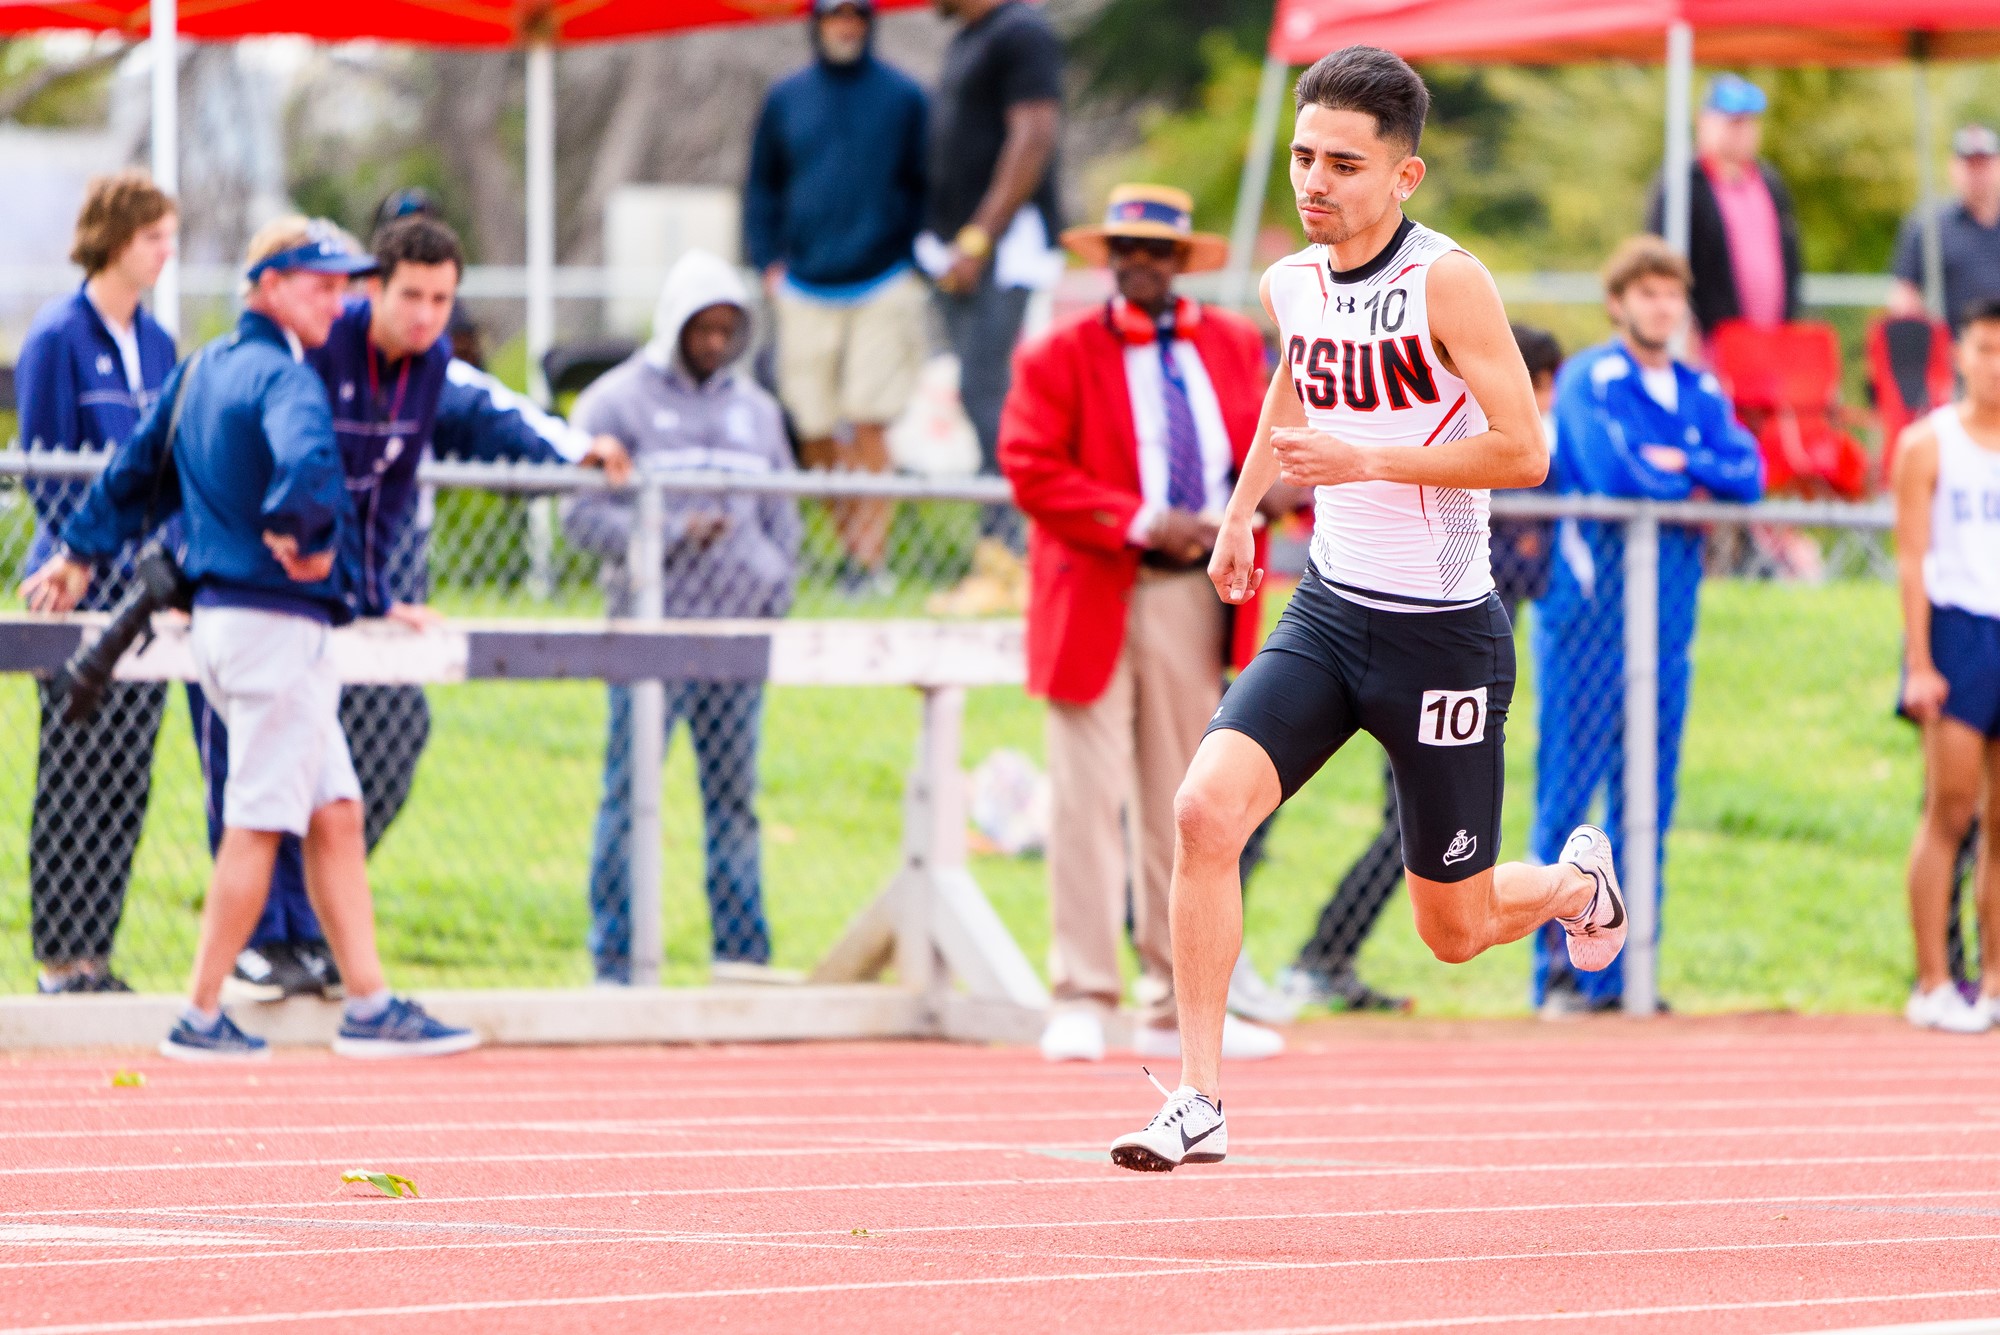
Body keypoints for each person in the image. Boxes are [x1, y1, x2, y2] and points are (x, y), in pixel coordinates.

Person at [1108, 46, 1628, 1173]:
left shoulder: (1449, 282)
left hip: (1441, 635)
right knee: (1204, 816)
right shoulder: (1288, 281)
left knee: (1451, 930)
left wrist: (1361, 457)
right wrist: (1245, 510)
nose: (1315, 182)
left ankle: (1576, 883)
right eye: (1303, 157)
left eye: (1343, 163)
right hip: (1329, 614)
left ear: (1404, 177)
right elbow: (1293, 381)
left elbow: (1522, 451)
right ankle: (1197, 1097)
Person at [21, 216, 478, 1060]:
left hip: (228, 632)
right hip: (274, 628)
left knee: (335, 811)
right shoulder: (288, 377)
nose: (339, 299)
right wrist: (300, 530)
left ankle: (371, 1002)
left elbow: (134, 471)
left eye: (346, 284)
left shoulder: (202, 367)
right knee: (258, 825)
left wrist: (80, 553)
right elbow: (309, 467)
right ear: (269, 284)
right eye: (322, 283)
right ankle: (198, 1014)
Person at [198, 213, 629, 1005]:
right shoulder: (312, 348)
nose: (427, 315)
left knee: (363, 767)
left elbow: (500, 413)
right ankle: (260, 951)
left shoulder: (432, 367)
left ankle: (323, 955)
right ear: (375, 291)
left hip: (344, 601)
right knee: (258, 780)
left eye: (442, 299)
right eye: (412, 297)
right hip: (253, 592)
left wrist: (575, 449)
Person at [999, 184, 1284, 1065]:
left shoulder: (1236, 345)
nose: (1142, 262)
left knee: (1188, 803)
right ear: (1107, 258)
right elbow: (1029, 464)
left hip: (1190, 594)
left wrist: (1263, 502)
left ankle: (1180, 998)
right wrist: (1140, 518)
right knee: (1085, 800)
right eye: (1126, 248)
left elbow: (1268, 443)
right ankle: (1082, 990)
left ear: (1183, 258)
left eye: (1158, 250)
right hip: (1093, 582)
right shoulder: (1060, 354)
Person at [1268, 324, 1566, 1016]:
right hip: (1373, 628)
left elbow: (1530, 541)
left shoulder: (1513, 437)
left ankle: (1326, 953)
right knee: (1391, 827)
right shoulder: (1435, 426)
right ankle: (1323, 954)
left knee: (1442, 896)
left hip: (1458, 644)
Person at [1528, 236, 1764, 1017]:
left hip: (1667, 623)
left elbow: (1750, 474)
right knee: (1569, 794)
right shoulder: (1593, 377)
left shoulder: (1698, 387)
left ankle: (1626, 974)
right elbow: (1612, 473)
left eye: (1673, 294)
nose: (1662, 307)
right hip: (1589, 617)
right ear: (1618, 303)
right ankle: (1557, 972)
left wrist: (1681, 457)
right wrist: (1692, 471)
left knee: (1647, 800)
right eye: (1647, 293)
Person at [564, 252, 801, 986]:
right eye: (704, 326)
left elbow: (783, 513)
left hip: (735, 639)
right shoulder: (615, 403)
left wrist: (774, 584)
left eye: (729, 328)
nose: (715, 340)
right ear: (676, 324)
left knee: (735, 799)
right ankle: (618, 956)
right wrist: (665, 531)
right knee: (628, 794)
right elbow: (579, 514)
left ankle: (741, 954)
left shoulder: (758, 410)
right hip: (647, 637)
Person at [14, 172, 179, 995]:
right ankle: (60, 955)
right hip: (79, 586)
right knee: (74, 769)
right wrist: (89, 550)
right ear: (117, 238)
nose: (166, 253)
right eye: (155, 236)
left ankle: (98, 952)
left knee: (127, 776)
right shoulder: (57, 337)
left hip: (144, 595)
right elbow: (47, 468)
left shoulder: (160, 345)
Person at [746, 0, 928, 597]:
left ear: (869, 22)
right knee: (812, 424)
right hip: (804, 283)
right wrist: (766, 261)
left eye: (854, 14)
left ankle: (868, 565)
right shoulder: (785, 98)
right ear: (816, 21)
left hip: (883, 281)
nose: (844, 25)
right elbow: (761, 188)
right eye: (833, 15)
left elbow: (928, 185)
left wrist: (916, 261)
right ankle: (854, 550)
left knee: (870, 422)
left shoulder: (905, 97)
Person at [922, 0, 1064, 594]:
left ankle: (1008, 557)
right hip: (960, 253)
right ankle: (1000, 552)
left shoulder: (1021, 29)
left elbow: (1034, 135)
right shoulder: (969, 36)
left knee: (992, 398)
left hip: (1001, 252)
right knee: (980, 397)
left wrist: (981, 235)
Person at [1892, 296, 2000, 1034]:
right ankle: (1933, 981)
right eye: (1985, 348)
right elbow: (1910, 558)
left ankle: (1993, 981)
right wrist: (1921, 661)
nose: (1995, 365)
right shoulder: (1928, 443)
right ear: (1960, 354)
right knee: (1951, 809)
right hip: (1959, 631)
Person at [1645, 74, 1802, 339]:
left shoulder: (1769, 182)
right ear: (1704, 122)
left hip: (1770, 339)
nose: (1743, 131)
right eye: (1733, 122)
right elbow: (1660, 260)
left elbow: (1789, 256)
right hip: (1711, 340)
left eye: (1749, 122)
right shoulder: (1685, 185)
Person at [1890, 125, 2000, 337]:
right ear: (1953, 168)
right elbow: (1904, 297)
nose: (1977, 174)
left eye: (1983, 164)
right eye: (1969, 165)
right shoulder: (1928, 226)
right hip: (1951, 353)